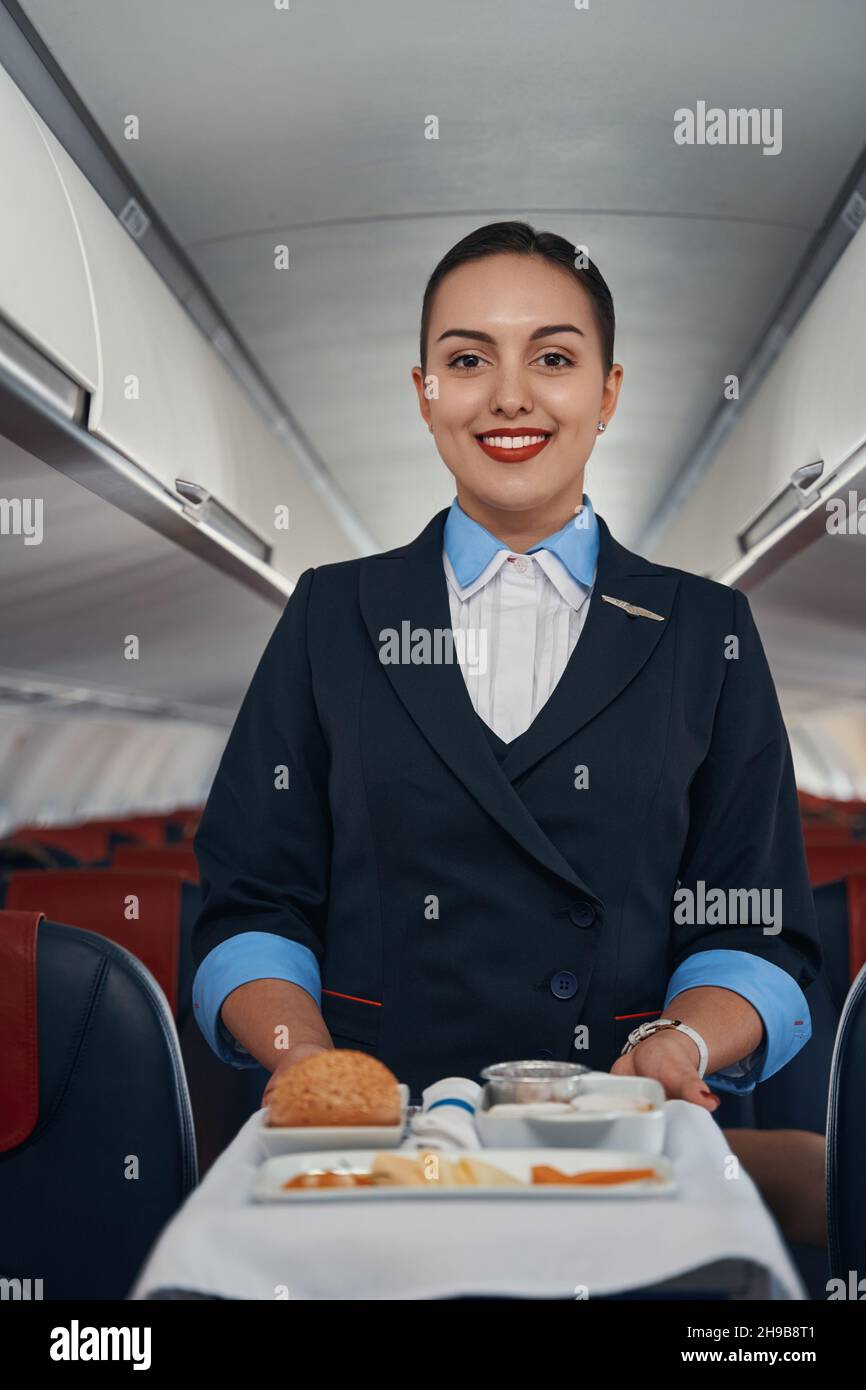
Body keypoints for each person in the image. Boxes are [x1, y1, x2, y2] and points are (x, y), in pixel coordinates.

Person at [190, 221, 821, 1129]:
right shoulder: (331, 615)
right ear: (425, 392)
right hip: (378, 1137)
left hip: (616, 1124)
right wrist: (314, 1067)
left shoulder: (704, 630)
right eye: (470, 359)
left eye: (554, 359)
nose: (511, 397)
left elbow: (752, 918)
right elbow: (252, 899)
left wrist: (678, 1044)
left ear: (607, 393)